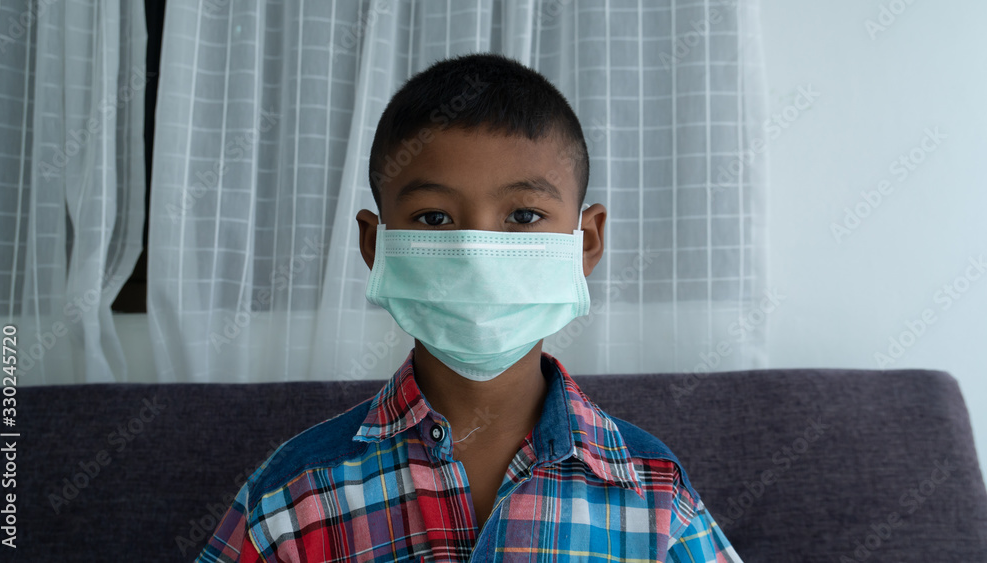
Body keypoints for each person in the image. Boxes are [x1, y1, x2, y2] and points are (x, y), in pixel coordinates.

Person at [197, 52, 741, 562]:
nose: (477, 257)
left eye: (524, 216)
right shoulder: (293, 494)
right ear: (375, 244)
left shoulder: (655, 493)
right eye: (435, 218)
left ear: (587, 241)